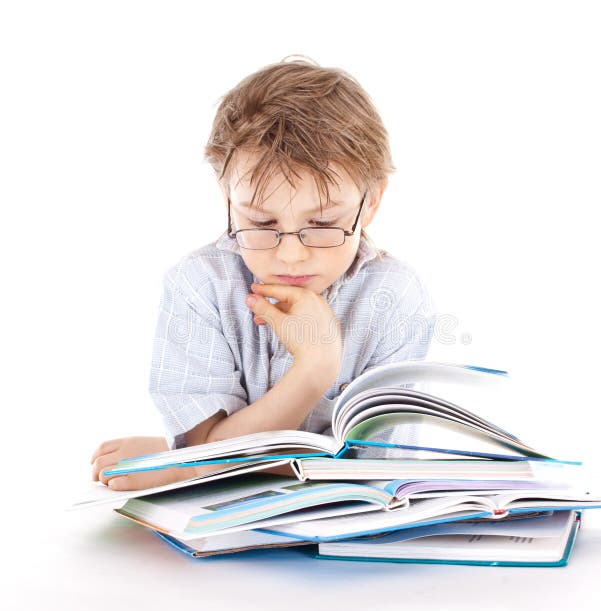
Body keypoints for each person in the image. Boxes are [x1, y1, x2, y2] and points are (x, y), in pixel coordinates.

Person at [90, 56, 437, 491]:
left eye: (324, 225)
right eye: (261, 224)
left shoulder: (397, 298)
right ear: (227, 195)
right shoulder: (201, 287)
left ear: (370, 202)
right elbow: (208, 445)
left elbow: (378, 470)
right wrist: (312, 370)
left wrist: (189, 463)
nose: (291, 255)